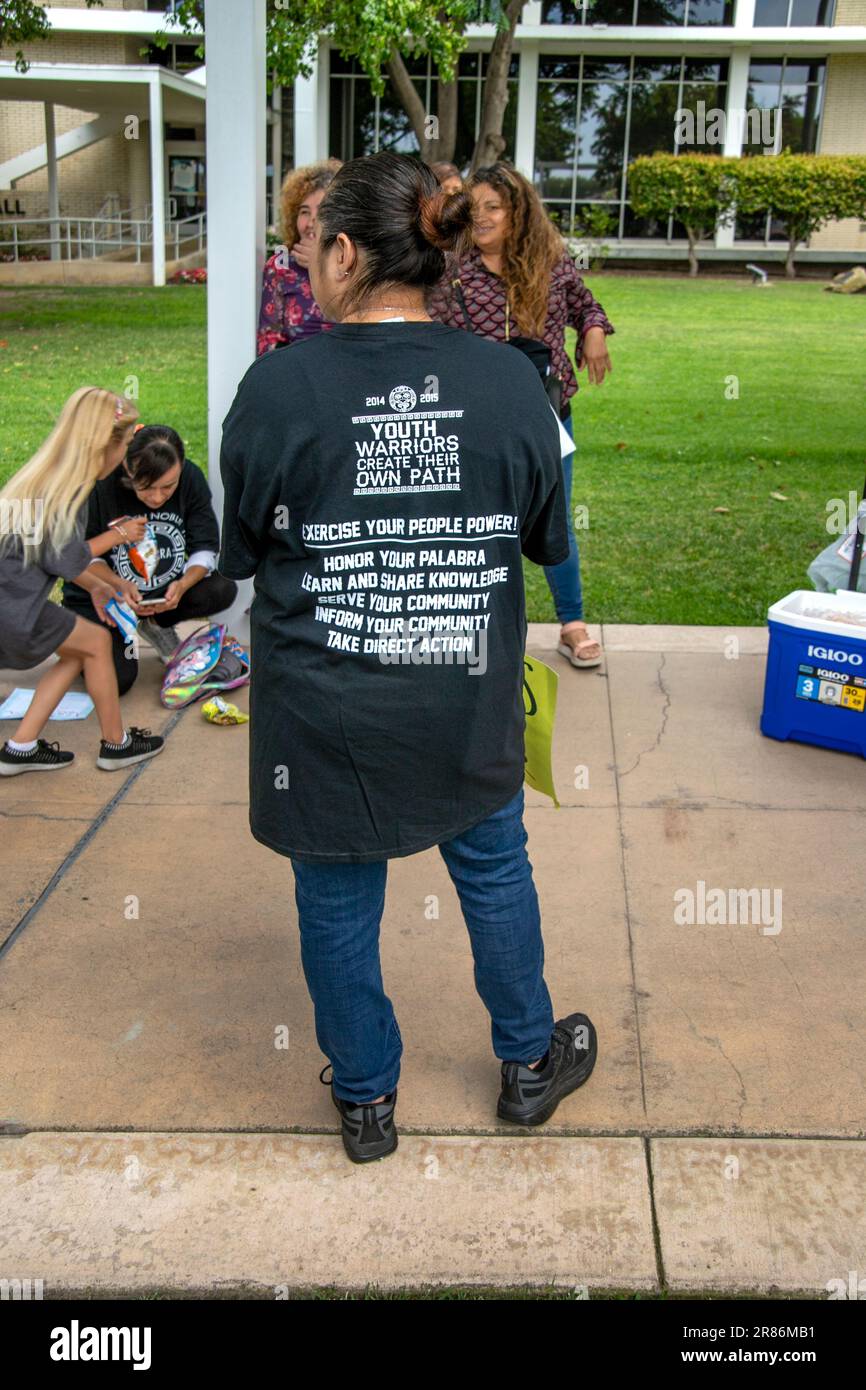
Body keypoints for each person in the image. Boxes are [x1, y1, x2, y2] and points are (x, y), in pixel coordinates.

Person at [218, 150, 598, 1166]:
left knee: (337, 897)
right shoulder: (513, 379)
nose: (301, 259)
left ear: (343, 252)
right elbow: (544, 540)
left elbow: (244, 551)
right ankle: (527, 1065)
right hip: (465, 701)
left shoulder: (275, 387)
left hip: (321, 712)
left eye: (309, 244)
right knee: (492, 869)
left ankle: (365, 1099)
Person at [427, 161, 614, 670]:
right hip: (479, 423)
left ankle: (572, 624)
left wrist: (593, 331)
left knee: (556, 520)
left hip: (548, 415)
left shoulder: (551, 261)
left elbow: (587, 306)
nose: (483, 217)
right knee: (481, 526)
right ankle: (481, 628)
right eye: (477, 207)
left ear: (518, 213)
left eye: (495, 207)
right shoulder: (451, 272)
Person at [0, 388, 164, 775]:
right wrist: (120, 535)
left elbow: (46, 553)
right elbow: (66, 556)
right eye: (124, 444)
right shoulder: (71, 489)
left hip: (10, 602)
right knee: (97, 642)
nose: (124, 455)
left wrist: (96, 586)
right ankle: (116, 745)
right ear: (100, 446)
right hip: (14, 609)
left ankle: (21, 747)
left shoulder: (44, 474)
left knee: (79, 652)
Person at [62, 424, 237, 688]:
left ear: (181, 468)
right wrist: (116, 584)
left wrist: (182, 585)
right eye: (145, 487)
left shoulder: (190, 477)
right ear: (127, 468)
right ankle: (79, 643)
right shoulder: (101, 483)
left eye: (168, 487)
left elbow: (205, 547)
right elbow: (79, 557)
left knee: (222, 588)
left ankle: (155, 623)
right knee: (119, 682)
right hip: (103, 597)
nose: (157, 497)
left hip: (157, 594)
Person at [257, 159, 342, 355]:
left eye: (321, 211)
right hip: (298, 371)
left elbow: (365, 324)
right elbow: (268, 340)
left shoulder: (354, 263)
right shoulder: (280, 266)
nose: (312, 222)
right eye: (304, 212)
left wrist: (323, 263)